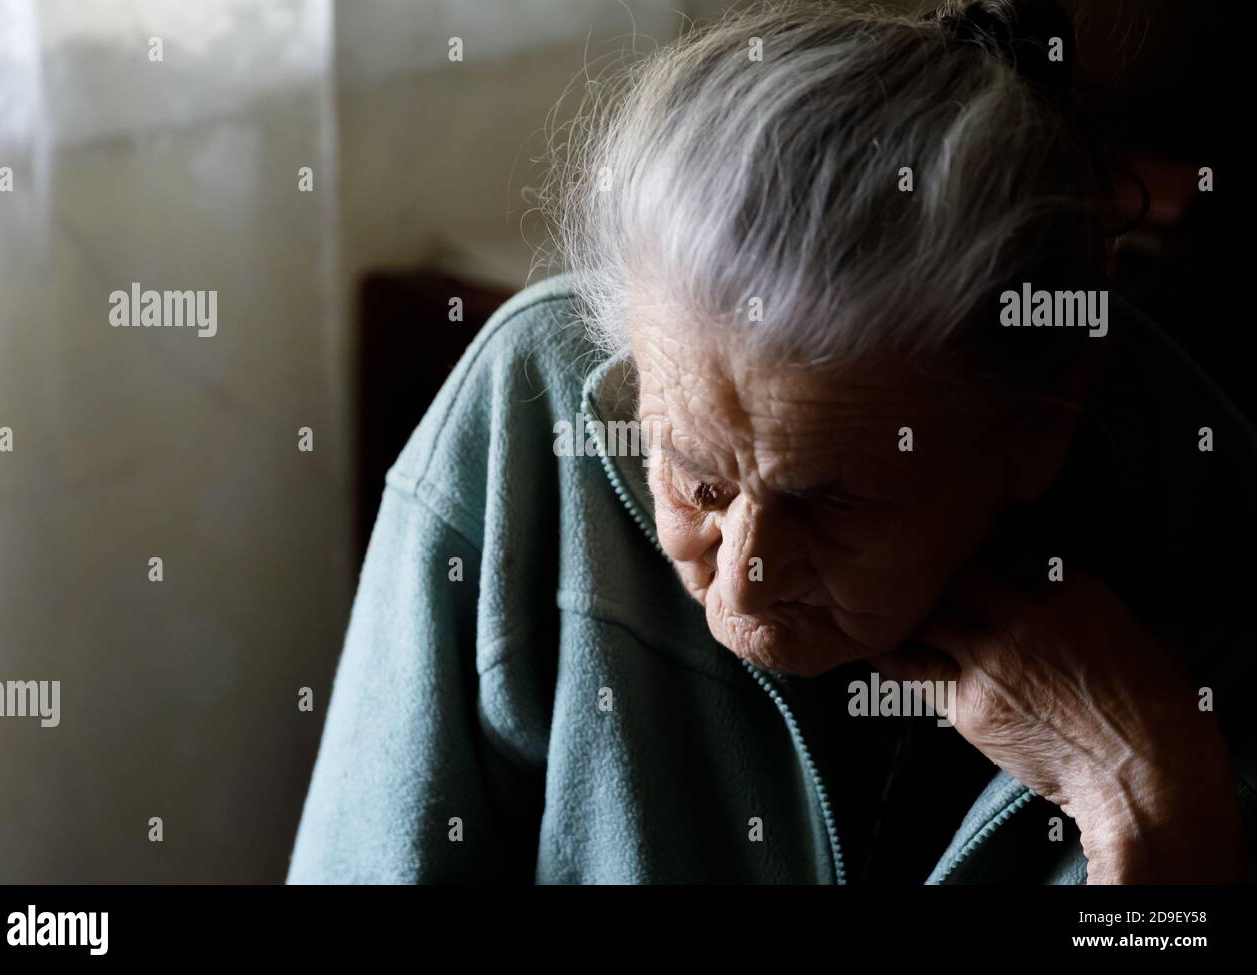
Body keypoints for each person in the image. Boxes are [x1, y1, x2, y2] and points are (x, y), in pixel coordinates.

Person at [288, 0, 1257, 884]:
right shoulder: (535, 413)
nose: (744, 580)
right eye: (698, 480)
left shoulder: (1207, 548)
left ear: (1036, 436)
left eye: (833, 502)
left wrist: (1147, 803)